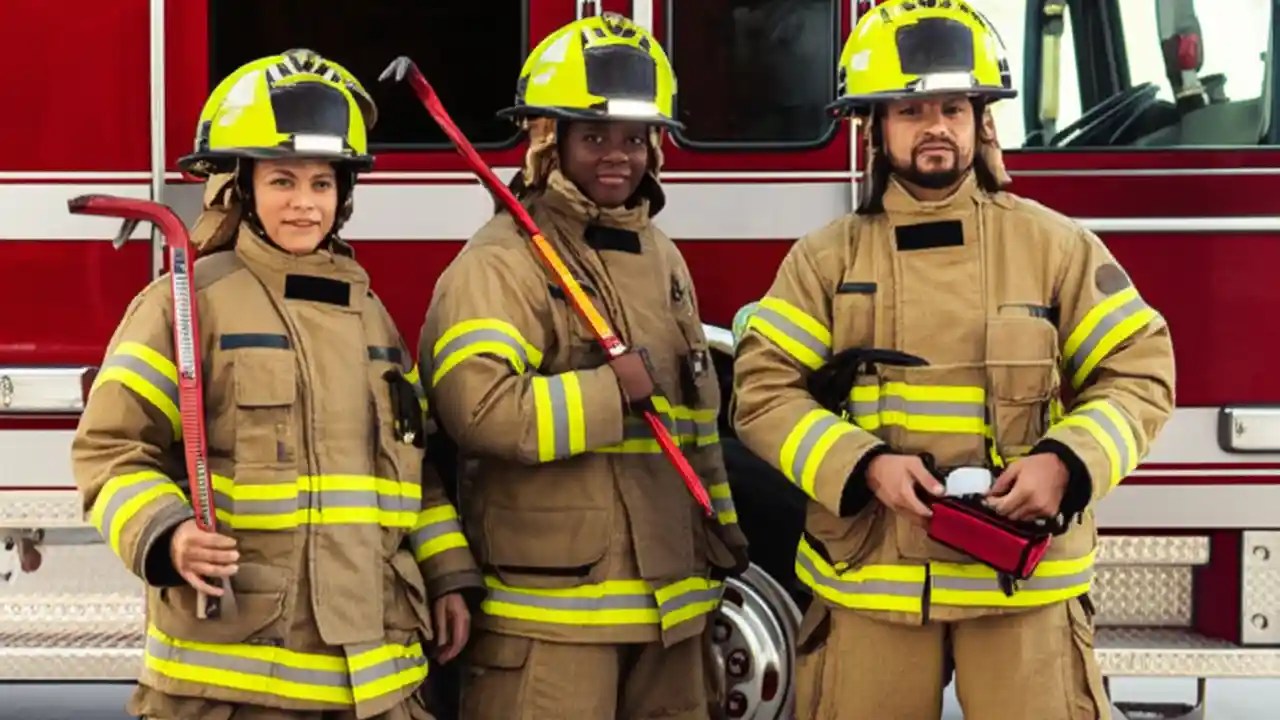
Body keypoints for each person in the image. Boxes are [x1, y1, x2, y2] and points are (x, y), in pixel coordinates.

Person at [731, 1, 1176, 718]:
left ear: (980, 120)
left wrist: (1065, 462)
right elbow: (760, 392)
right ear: (875, 127)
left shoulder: (1055, 247)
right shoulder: (825, 260)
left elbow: (1140, 369)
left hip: (1023, 590)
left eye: (951, 107)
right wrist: (864, 464)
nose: (934, 126)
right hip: (869, 583)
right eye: (910, 110)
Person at [71, 64, 482, 720]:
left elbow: (414, 473)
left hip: (375, 680)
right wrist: (167, 534)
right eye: (282, 180)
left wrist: (447, 574)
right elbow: (111, 450)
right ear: (242, 186)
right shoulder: (186, 304)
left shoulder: (370, 316)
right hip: (233, 682)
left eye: (322, 183)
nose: (304, 203)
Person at [416, 12, 749, 720]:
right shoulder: (502, 262)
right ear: (551, 141)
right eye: (594, 136)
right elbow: (475, 412)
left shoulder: (660, 256)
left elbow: (693, 418)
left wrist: (723, 525)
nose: (617, 156)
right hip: (555, 620)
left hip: (673, 613)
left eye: (634, 138)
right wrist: (608, 391)